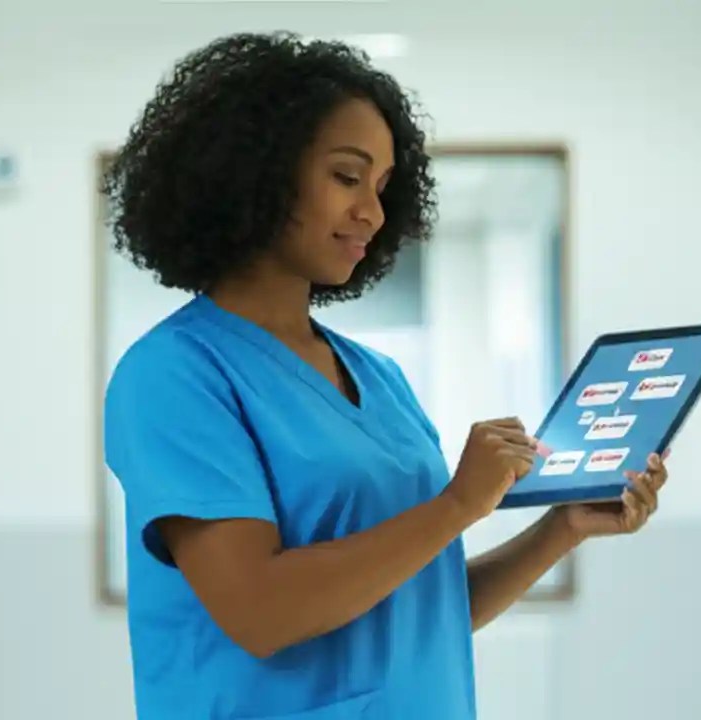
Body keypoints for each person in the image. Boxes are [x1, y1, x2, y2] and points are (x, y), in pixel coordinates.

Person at [101, 31, 669, 720]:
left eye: (382, 187)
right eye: (346, 177)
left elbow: (421, 610)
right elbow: (261, 611)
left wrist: (561, 528)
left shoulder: (380, 378)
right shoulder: (174, 375)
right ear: (255, 173)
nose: (371, 212)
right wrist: (459, 504)